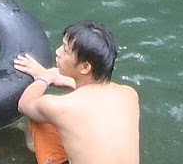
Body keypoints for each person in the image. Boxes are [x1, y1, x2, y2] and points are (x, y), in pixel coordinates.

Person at [14, 22, 140, 164]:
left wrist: (44, 78)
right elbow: (91, 95)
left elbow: (24, 104)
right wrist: (58, 78)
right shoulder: (129, 95)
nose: (58, 51)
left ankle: (33, 146)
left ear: (85, 67)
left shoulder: (60, 107)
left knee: (38, 118)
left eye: (65, 50)